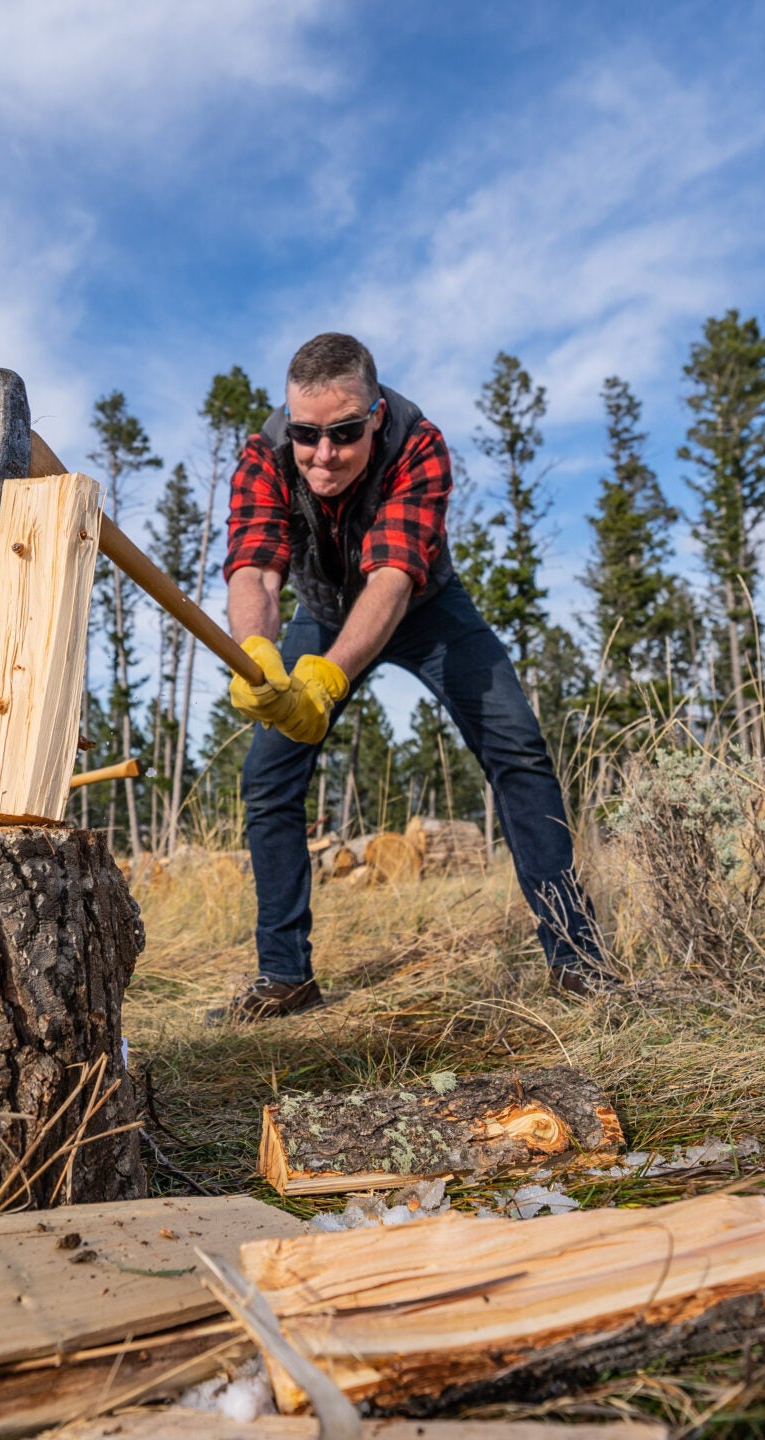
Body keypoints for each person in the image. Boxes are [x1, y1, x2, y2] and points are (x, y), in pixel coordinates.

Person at [214, 332, 607, 1021]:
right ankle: (285, 976)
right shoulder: (264, 454)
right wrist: (256, 650)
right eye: (307, 433)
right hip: (323, 614)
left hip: (426, 608)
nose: (323, 453)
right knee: (267, 777)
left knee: (519, 752)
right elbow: (255, 568)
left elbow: (393, 577)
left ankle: (578, 961)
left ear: (375, 417)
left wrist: (327, 680)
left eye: (344, 432)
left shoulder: (418, 444)